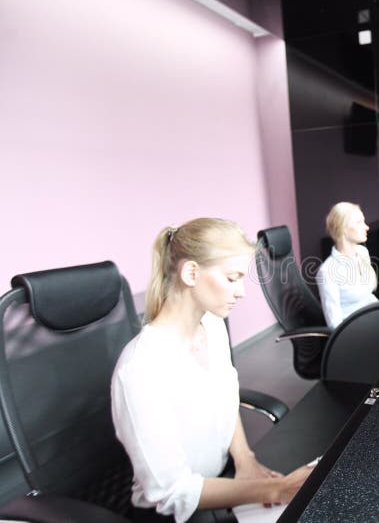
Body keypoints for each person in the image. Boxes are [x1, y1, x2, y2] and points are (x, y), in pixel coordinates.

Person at [111, 218, 313, 522]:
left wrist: (245, 459)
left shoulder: (213, 326)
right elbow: (172, 492)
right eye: (232, 278)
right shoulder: (140, 367)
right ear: (191, 273)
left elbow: (227, 394)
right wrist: (276, 489)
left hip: (222, 482)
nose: (242, 292)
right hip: (173, 513)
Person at [316, 202, 378, 327]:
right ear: (343, 227)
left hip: (373, 319)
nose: (367, 227)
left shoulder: (362, 252)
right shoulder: (327, 271)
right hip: (354, 332)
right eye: (359, 222)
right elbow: (334, 324)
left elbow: (367, 296)